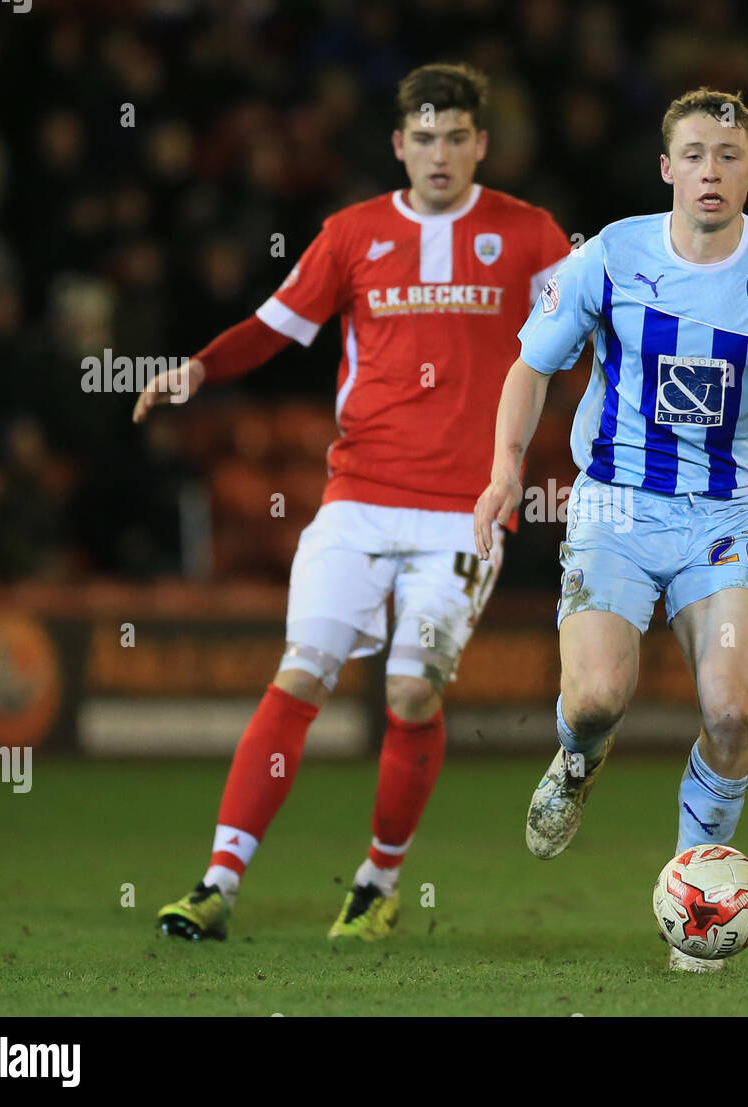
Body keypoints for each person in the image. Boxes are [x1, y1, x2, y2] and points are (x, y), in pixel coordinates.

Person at [135, 63, 571, 941]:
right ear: (398, 145)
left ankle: (377, 882)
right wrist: (201, 368)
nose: (438, 153)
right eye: (423, 137)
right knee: (300, 675)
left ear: (480, 144)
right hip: (358, 499)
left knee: (412, 693)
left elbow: (595, 327)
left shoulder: (530, 236)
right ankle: (218, 882)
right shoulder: (353, 233)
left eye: (455, 137)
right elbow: (276, 327)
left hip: (465, 510)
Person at [474, 88, 748, 972]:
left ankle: (697, 894)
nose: (711, 172)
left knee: (731, 710)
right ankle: (577, 760)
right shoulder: (609, 255)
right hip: (615, 509)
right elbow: (530, 366)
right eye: (694, 155)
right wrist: (506, 469)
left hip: (726, 522)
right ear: (667, 169)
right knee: (596, 699)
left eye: (729, 156)